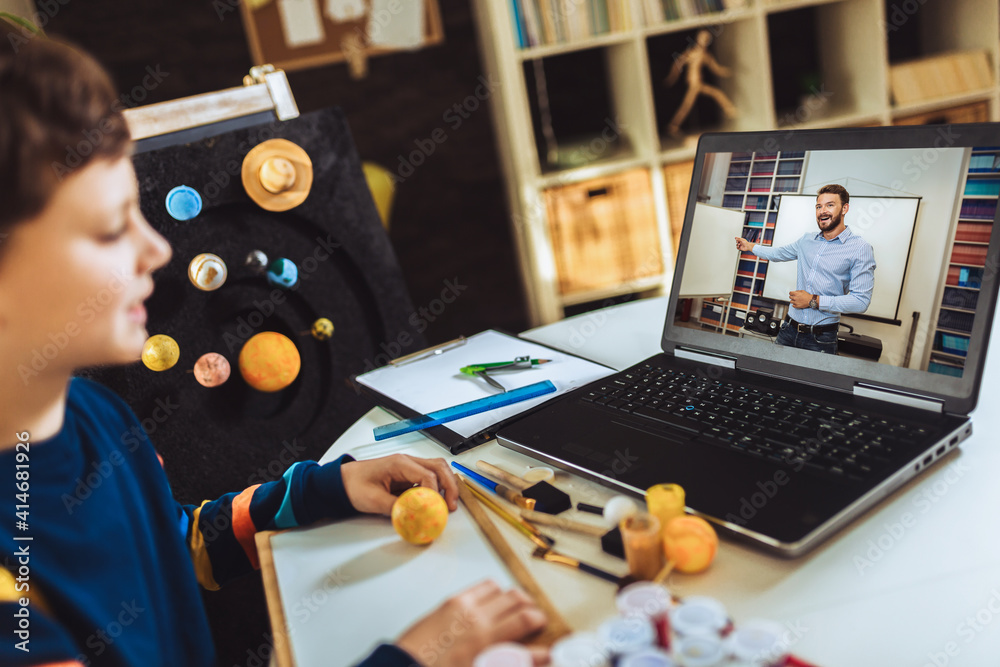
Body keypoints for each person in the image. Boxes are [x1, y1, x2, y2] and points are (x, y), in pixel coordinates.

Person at [0, 20, 547, 667]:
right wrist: (415, 657)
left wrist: (321, 491)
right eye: (108, 228)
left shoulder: (96, 415)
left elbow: (173, 544)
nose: (156, 249)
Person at [734, 184, 876, 355]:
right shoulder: (806, 240)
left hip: (821, 338)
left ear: (844, 208)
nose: (822, 211)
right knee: (774, 371)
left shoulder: (860, 248)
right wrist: (750, 246)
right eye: (819, 206)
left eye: (830, 205)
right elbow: (778, 253)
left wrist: (813, 301)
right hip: (788, 330)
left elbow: (861, 301)